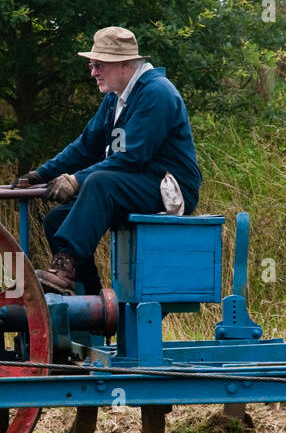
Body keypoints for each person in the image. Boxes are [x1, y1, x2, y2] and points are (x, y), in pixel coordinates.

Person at [14, 26, 201, 293]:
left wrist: (76, 180)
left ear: (125, 65)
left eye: (99, 65)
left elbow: (131, 157)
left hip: (169, 188)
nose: (93, 72)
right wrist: (41, 174)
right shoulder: (116, 99)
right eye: (92, 65)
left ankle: (64, 268)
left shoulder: (156, 93)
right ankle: (87, 297)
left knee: (101, 182)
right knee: (57, 220)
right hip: (137, 182)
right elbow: (86, 145)